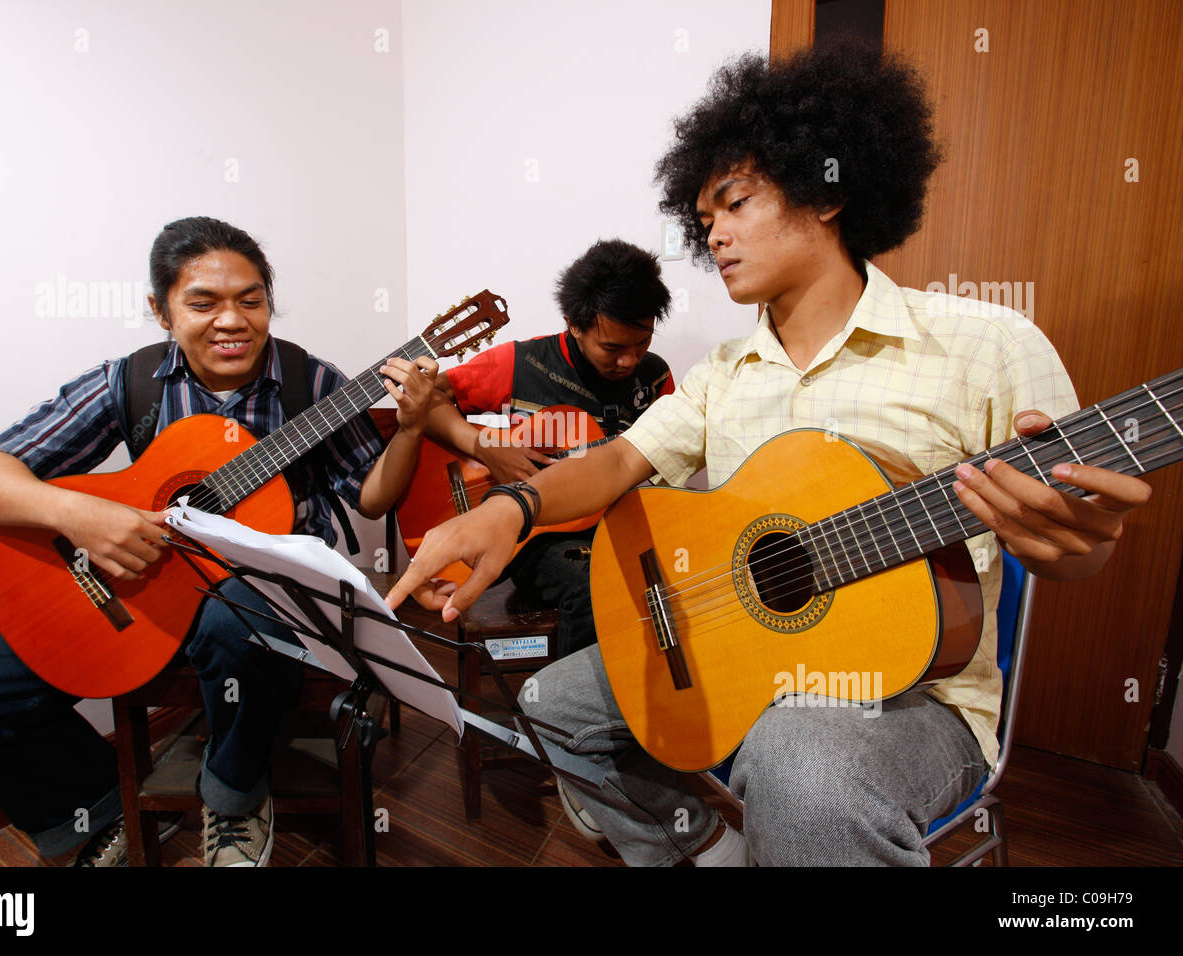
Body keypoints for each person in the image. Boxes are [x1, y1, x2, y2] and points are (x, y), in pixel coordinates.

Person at [388, 43, 1153, 866]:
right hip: (736, 653)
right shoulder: (722, 373)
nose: (712, 234)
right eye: (703, 217)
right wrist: (513, 507)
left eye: (735, 203)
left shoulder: (987, 344)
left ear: (828, 192)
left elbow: (1076, 535)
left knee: (797, 758)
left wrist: (1085, 540)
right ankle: (706, 850)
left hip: (913, 700)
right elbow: (619, 461)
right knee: (549, 701)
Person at [0, 216, 438, 866]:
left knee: (231, 617)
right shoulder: (130, 381)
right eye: (203, 302)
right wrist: (79, 515)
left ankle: (234, 795)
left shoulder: (313, 384)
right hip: (143, 594)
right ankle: (104, 805)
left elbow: (372, 497)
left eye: (251, 299)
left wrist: (412, 427)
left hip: (257, 611)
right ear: (160, 310)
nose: (233, 320)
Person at [423, 239, 673, 655]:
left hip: (615, 522)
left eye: (641, 342)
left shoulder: (654, 378)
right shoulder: (520, 362)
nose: (629, 360)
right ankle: (571, 713)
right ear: (574, 324)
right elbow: (426, 401)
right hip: (533, 535)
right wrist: (485, 447)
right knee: (596, 586)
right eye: (612, 347)